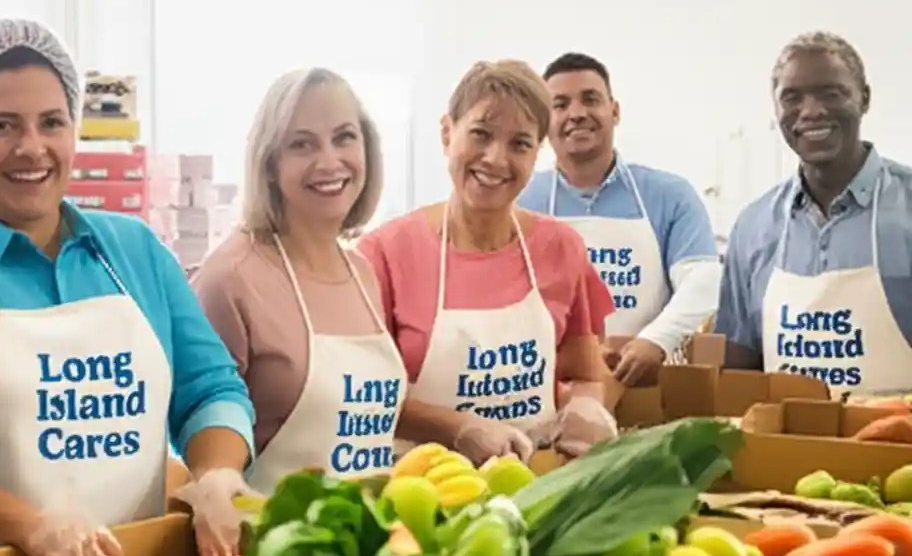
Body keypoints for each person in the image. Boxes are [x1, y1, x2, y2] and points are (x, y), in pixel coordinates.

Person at [0, 19, 255, 556]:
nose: (32, 147)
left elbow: (213, 390)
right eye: (1, 125)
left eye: (52, 122)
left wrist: (218, 474)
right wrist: (29, 524)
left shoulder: (133, 250)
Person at [359, 60, 621, 463]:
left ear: (538, 153)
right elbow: (361, 400)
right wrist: (458, 428)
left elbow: (585, 374)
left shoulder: (561, 247)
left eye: (520, 143)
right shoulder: (384, 254)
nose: (496, 159)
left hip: (536, 483)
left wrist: (586, 406)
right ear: (448, 133)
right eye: (480, 134)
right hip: (422, 489)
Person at [191, 68, 406, 494]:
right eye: (301, 144)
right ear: (270, 166)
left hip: (367, 544)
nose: (329, 161)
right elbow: (196, 431)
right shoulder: (230, 279)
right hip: (269, 547)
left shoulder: (361, 273)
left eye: (344, 137)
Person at [716, 31, 912, 398]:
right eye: (792, 97)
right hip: (789, 448)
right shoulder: (754, 226)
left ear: (863, 98)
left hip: (899, 448)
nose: (810, 110)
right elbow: (739, 364)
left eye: (830, 92)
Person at [517, 53, 721, 387]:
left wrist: (656, 339)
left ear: (615, 111)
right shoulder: (522, 201)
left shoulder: (669, 195)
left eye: (590, 99)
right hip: (551, 386)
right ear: (542, 123)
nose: (577, 114)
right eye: (561, 104)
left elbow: (704, 279)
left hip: (648, 387)